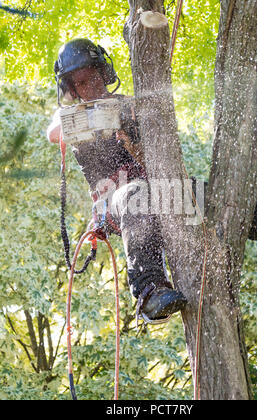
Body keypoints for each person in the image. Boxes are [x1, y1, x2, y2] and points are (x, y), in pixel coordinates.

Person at [47, 38, 187, 324]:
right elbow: (53, 132)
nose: (92, 85)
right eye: (82, 83)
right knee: (133, 194)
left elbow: (162, 159)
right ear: (72, 89)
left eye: (94, 76)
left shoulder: (131, 106)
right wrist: (98, 115)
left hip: (156, 192)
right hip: (114, 203)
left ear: (105, 72)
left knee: (198, 193)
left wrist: (131, 133)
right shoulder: (71, 117)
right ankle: (150, 291)